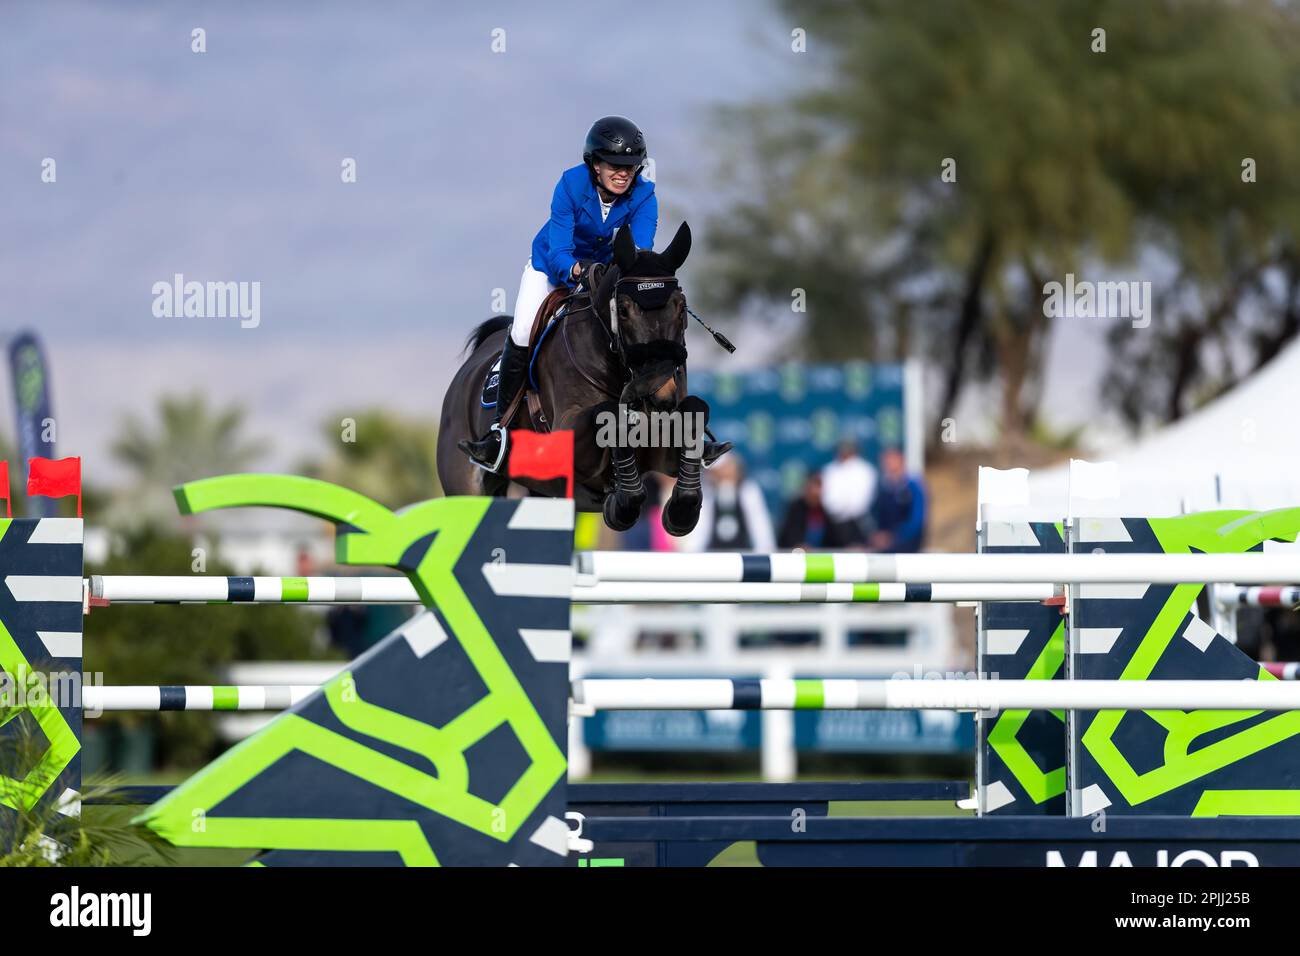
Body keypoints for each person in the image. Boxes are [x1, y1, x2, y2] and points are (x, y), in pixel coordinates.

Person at [461, 116, 658, 471]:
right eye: (615, 165)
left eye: (630, 167)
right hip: (553, 268)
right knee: (522, 330)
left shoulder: (645, 196)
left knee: (637, 330)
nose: (623, 173)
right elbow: (558, 250)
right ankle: (499, 432)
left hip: (605, 275)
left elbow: (639, 252)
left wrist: (622, 276)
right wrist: (578, 271)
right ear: (595, 164)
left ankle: (660, 430)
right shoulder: (570, 185)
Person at [683, 455, 775, 553]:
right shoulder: (706, 494)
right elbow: (700, 532)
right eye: (718, 472)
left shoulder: (748, 491)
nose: (724, 474)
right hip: (713, 555)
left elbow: (760, 528)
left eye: (727, 469)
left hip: (743, 554)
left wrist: (764, 555)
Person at [819, 440, 877, 547]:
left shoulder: (865, 469)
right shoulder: (829, 469)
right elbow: (828, 499)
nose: (844, 452)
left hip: (857, 523)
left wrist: (844, 509)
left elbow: (860, 502)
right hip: (832, 523)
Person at [869, 447, 927, 553]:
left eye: (891, 459)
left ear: (901, 460)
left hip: (906, 545)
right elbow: (876, 517)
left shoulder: (913, 486)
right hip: (884, 544)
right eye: (885, 460)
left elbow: (916, 521)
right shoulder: (883, 488)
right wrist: (876, 536)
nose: (888, 463)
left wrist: (893, 537)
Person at [778, 473, 828, 549]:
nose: (816, 492)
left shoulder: (825, 510)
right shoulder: (795, 509)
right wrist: (798, 546)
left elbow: (835, 539)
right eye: (811, 488)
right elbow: (787, 536)